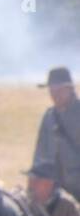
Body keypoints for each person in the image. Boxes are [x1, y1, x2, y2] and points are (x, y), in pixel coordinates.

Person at [31, 67, 80, 201]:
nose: (55, 95)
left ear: (70, 89)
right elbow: (40, 152)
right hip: (57, 188)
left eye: (59, 90)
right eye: (52, 91)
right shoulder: (49, 116)